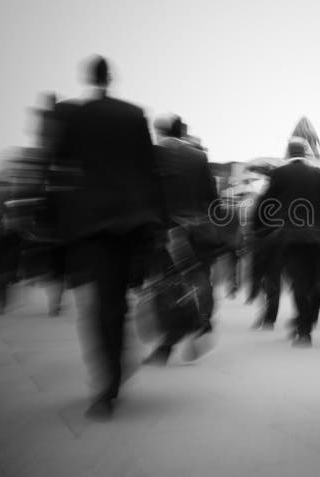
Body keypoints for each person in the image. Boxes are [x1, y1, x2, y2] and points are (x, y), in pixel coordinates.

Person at [54, 56, 164, 419]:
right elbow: (150, 171)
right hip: (133, 222)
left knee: (100, 303)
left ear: (89, 78)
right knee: (117, 298)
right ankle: (117, 364)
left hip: (93, 223)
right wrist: (156, 221)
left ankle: (107, 382)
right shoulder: (134, 115)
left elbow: (60, 163)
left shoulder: (77, 116)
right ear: (111, 78)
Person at [142, 115, 219, 366]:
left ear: (158, 131)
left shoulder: (154, 155)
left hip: (168, 231)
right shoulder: (198, 156)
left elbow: (149, 198)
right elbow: (212, 198)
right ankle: (204, 321)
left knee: (167, 284)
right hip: (198, 229)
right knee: (199, 278)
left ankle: (170, 341)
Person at [253, 138, 320, 347]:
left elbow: (265, 203)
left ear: (288, 153)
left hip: (290, 237)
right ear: (305, 154)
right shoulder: (319, 175)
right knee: (313, 279)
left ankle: (304, 332)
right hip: (316, 237)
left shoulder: (280, 174)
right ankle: (316, 304)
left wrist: (258, 227)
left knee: (299, 282)